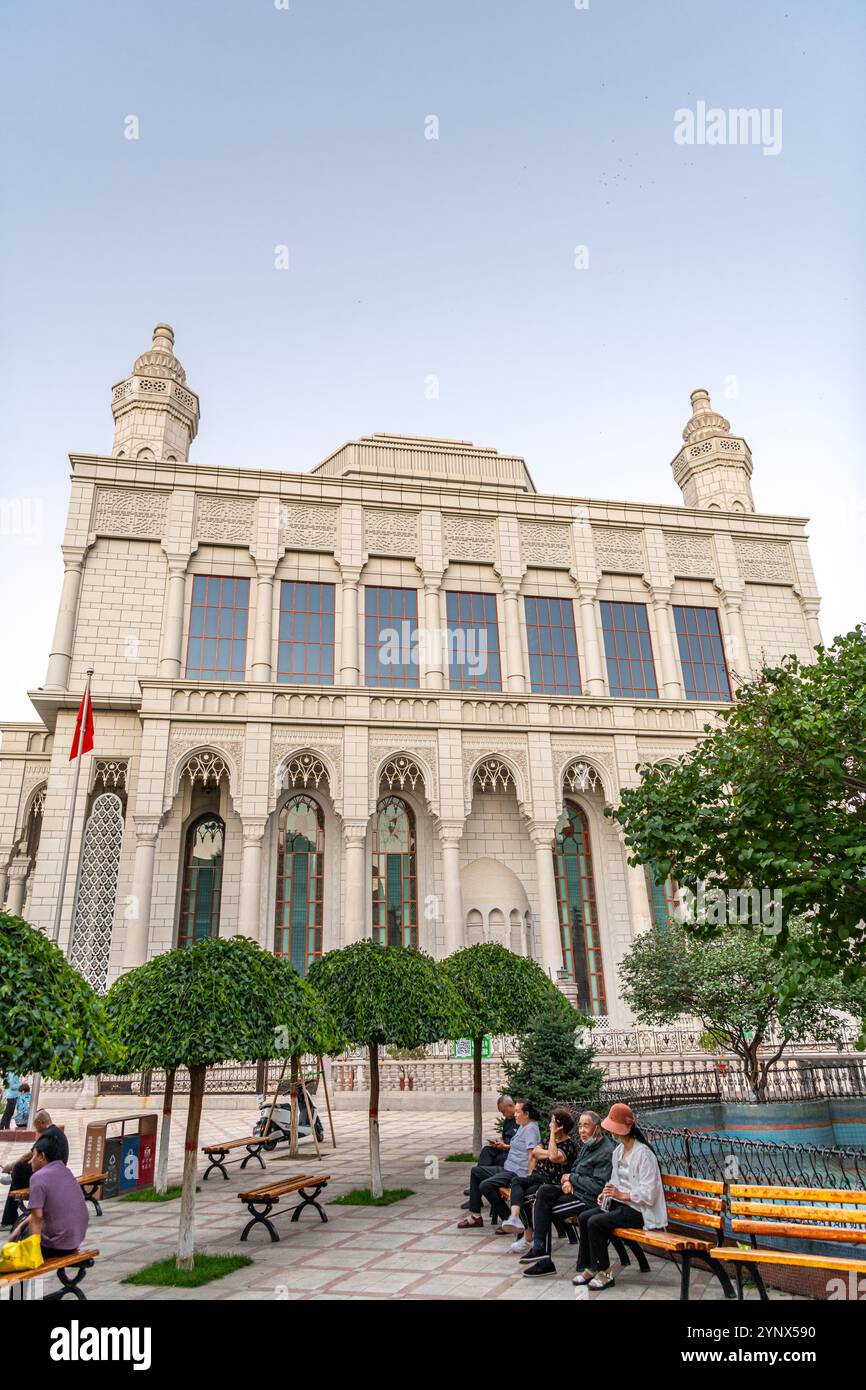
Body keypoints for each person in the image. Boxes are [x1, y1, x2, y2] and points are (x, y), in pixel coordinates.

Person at [573, 1101, 666, 1291]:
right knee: (585, 1217)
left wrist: (623, 1195)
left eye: (616, 1129)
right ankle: (590, 1266)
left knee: (595, 1222)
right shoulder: (618, 1152)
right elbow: (614, 1181)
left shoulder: (644, 1154)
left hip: (640, 1211)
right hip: (622, 1206)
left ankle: (605, 1273)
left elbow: (649, 1193)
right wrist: (605, 1194)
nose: (613, 1133)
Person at [519, 1110, 614, 1276]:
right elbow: (576, 1168)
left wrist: (571, 1179)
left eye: (586, 1126)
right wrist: (569, 1180)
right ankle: (540, 1248)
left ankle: (544, 1261)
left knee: (542, 1210)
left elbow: (598, 1186)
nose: (582, 1131)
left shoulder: (605, 1152)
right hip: (575, 1191)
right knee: (545, 1191)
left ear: (597, 1129)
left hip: (588, 1199)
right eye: (580, 1126)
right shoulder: (589, 1146)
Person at [457, 1099, 540, 1228]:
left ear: (527, 1114)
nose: (515, 1114)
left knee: (485, 1186)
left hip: (516, 1173)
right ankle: (476, 1217)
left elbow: (532, 1154)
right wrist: (504, 1146)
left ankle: (509, 1219)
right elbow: (517, 1146)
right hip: (508, 1167)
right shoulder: (523, 1126)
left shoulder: (531, 1129)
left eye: (518, 1112)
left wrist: (528, 1178)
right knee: (476, 1171)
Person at [497, 1107, 578, 1236]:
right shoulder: (549, 1141)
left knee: (524, 1195)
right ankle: (515, 1218)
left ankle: (527, 1234)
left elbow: (554, 1156)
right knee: (516, 1182)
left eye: (552, 1122)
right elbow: (535, 1152)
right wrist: (550, 1153)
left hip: (552, 1183)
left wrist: (552, 1138)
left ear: (560, 1126)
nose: (550, 1125)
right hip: (539, 1177)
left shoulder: (568, 1145)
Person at [8, 1131, 88, 1261]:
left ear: (42, 1156)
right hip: (74, 1242)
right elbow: (40, 1212)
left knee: (16, 1249)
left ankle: (22, 1278)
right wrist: (20, 1226)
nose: (30, 1162)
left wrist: (32, 1253)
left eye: (33, 1156)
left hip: (56, 1247)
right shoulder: (65, 1171)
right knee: (23, 1227)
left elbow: (37, 1218)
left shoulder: (38, 1178)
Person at [1, 1111, 70, 1230]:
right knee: (19, 1172)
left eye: (35, 1125)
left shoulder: (49, 1135)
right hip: (55, 1175)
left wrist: (12, 1165)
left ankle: (9, 1219)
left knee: (19, 1168)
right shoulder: (57, 1133)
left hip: (49, 1178)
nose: (35, 1129)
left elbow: (32, 1153)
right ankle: (9, 1217)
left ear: (41, 1122)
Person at [460, 1095, 518, 1208]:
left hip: (511, 1155)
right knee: (487, 1151)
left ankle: (475, 1194)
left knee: (477, 1171)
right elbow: (506, 1137)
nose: (503, 1114)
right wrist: (498, 1143)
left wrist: (505, 1146)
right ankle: (476, 1192)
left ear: (511, 1106)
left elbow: (521, 1145)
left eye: (504, 1111)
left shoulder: (521, 1121)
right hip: (504, 1149)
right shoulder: (507, 1120)